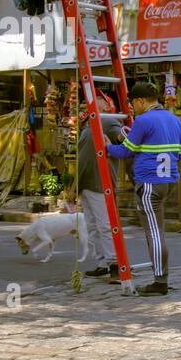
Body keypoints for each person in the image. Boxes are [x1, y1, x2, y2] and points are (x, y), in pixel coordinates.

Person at [107, 82, 181, 296]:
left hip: (149, 182)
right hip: (168, 181)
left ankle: (160, 281)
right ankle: (160, 278)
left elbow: (124, 152)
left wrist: (106, 146)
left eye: (134, 103)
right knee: (157, 230)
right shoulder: (175, 120)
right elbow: (180, 154)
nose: (133, 108)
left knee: (154, 233)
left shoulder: (143, 121)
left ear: (141, 101)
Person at [77, 113, 125, 282]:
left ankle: (114, 264)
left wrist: (121, 136)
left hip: (99, 183)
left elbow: (121, 137)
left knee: (105, 225)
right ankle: (103, 262)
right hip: (85, 184)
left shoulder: (107, 120)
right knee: (92, 226)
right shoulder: (86, 128)